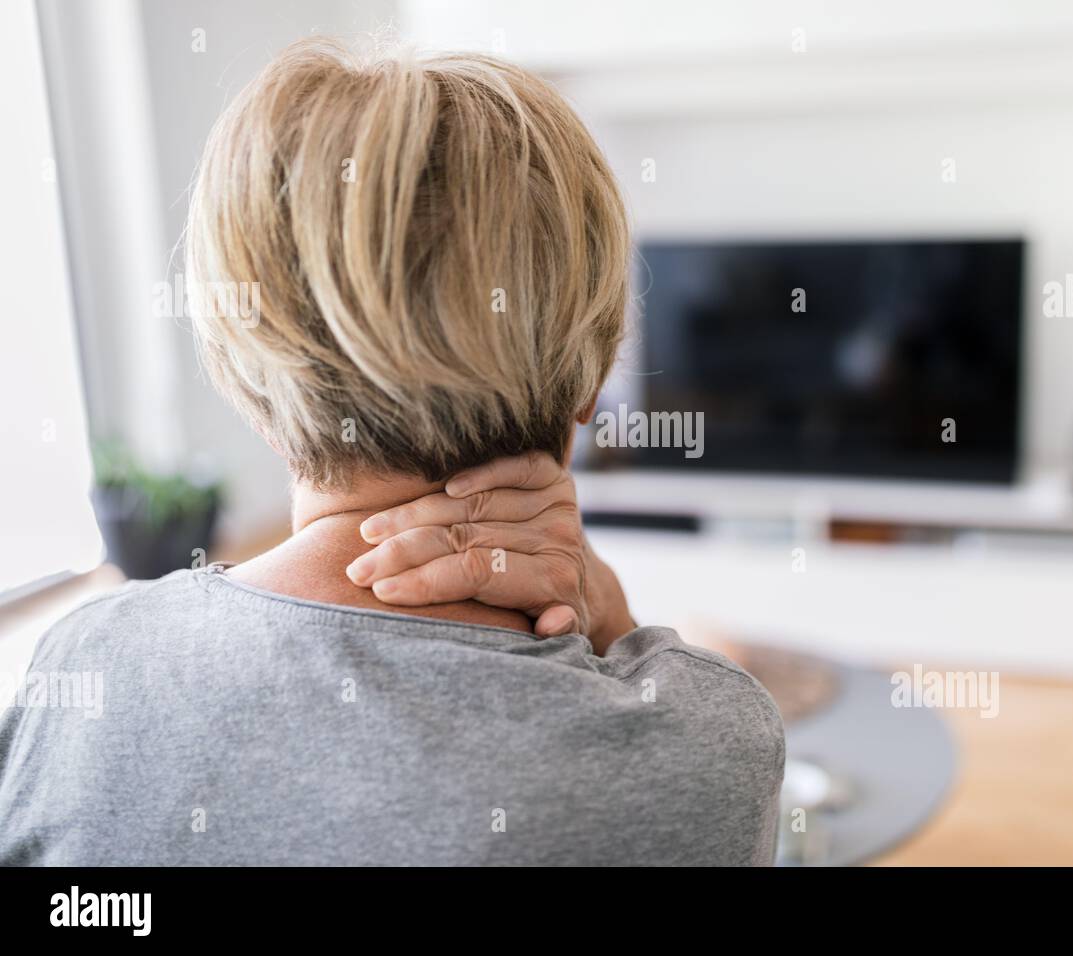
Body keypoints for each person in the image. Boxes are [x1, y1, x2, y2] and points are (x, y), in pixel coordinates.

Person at [0, 38, 784, 866]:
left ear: (252, 384)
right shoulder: (711, 741)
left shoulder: (83, 672)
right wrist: (607, 612)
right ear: (595, 378)